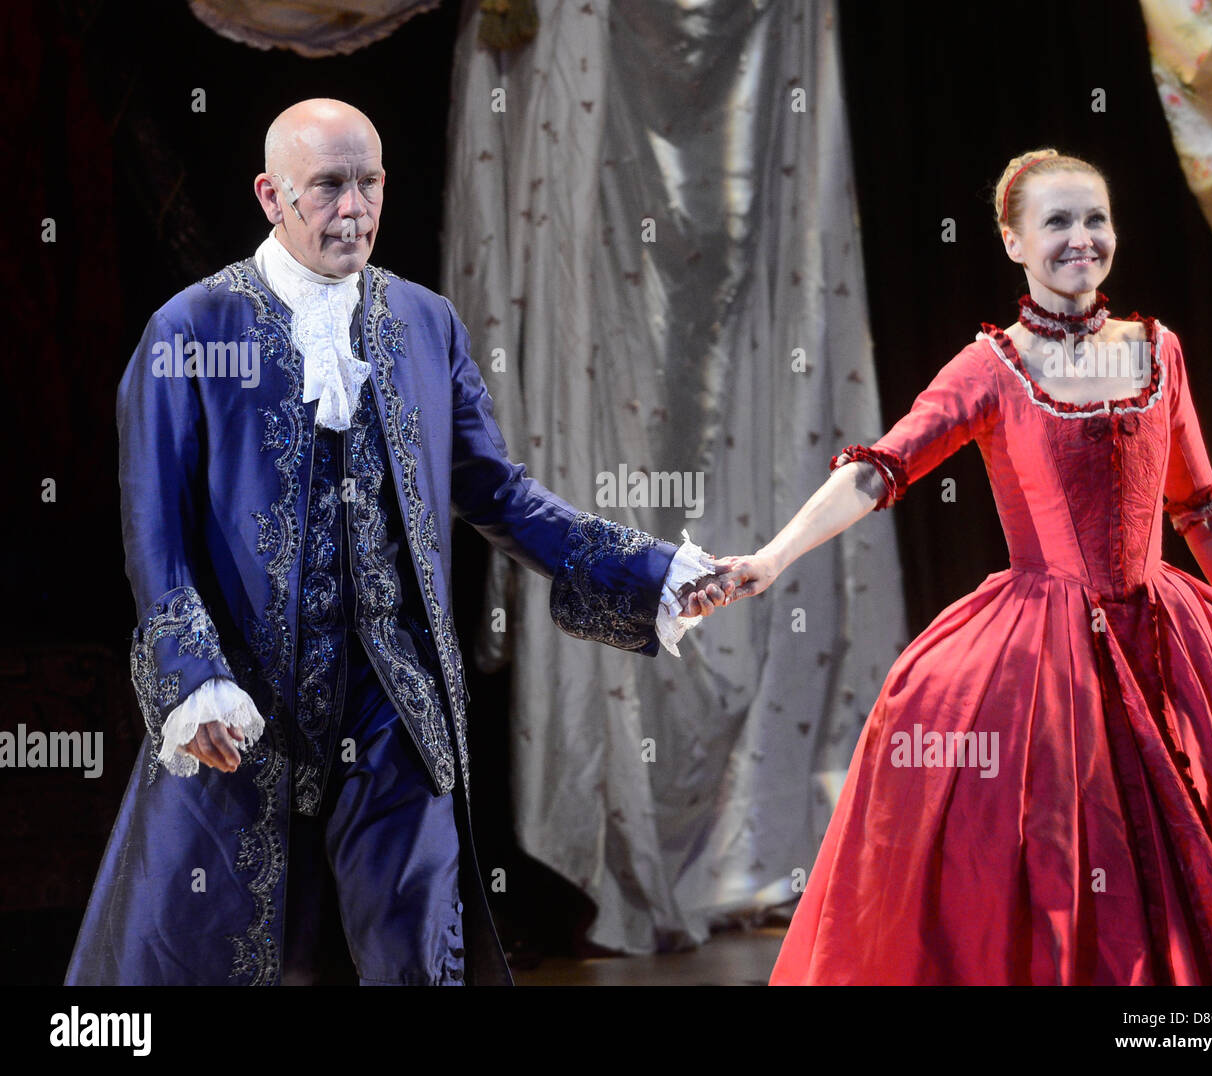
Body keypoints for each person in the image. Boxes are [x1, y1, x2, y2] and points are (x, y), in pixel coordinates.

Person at [65, 98, 730, 987]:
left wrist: (650, 575)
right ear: (271, 195)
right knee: (215, 951)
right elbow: (155, 533)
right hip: (243, 703)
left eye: (369, 183)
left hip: (396, 703)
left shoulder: (425, 324)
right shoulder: (191, 332)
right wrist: (193, 680)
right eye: (328, 187)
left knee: (414, 952)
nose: (354, 209)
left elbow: (499, 493)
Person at [686, 149, 1212, 985]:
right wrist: (772, 556)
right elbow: (881, 468)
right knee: (1062, 863)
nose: (1082, 238)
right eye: (1058, 222)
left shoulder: (1160, 350)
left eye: (1096, 219)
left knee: (1189, 859)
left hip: (1163, 641)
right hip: (1048, 660)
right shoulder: (993, 366)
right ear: (1013, 242)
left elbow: (1202, 509)